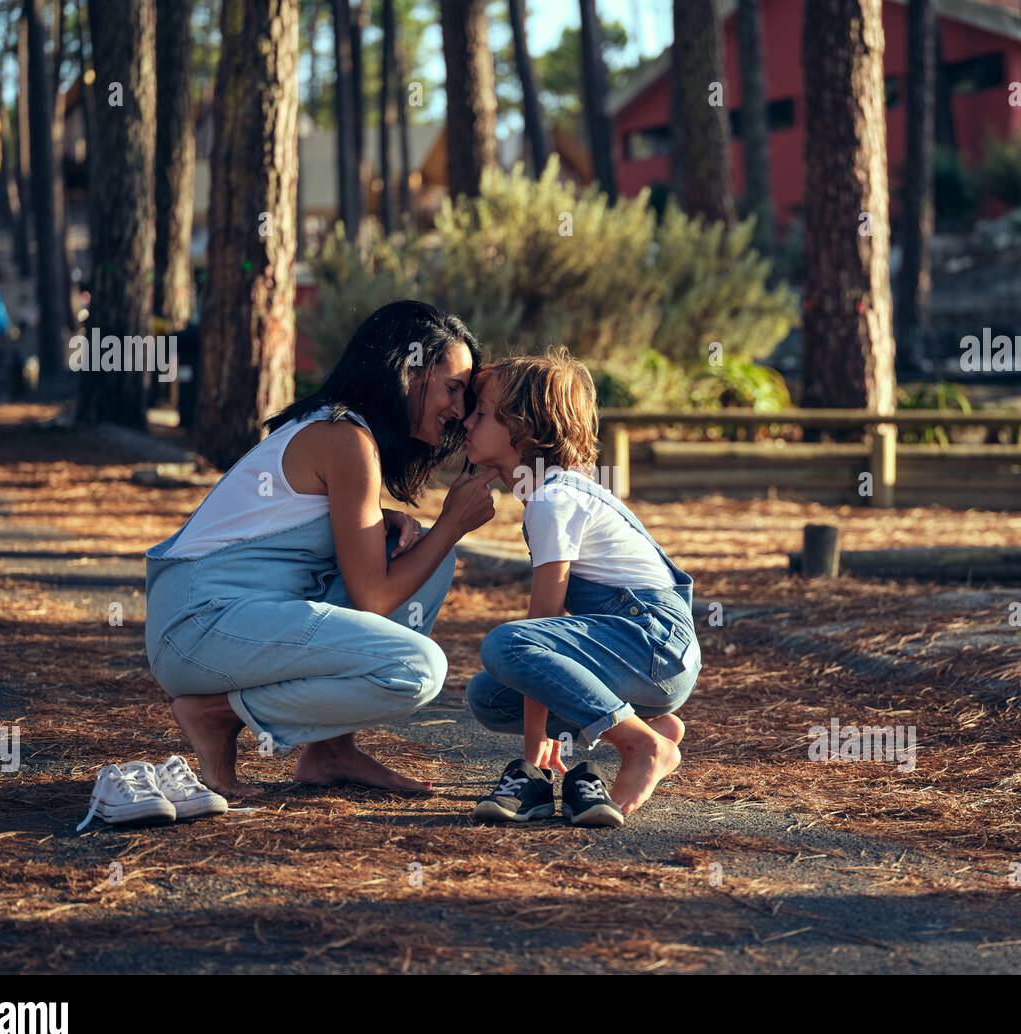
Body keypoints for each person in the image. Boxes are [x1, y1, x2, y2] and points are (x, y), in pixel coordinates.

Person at [144, 301, 499, 799]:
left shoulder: (344, 432)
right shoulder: (345, 438)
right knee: (417, 669)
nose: (460, 412)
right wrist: (451, 525)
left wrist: (394, 525)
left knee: (427, 561)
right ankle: (214, 713)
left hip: (229, 619)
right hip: (198, 625)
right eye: (454, 388)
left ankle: (330, 749)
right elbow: (374, 598)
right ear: (408, 371)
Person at [462, 350, 700, 826]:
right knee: (489, 695)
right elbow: (558, 635)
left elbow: (542, 625)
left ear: (521, 429)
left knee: (505, 644)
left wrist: (534, 755)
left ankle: (640, 743)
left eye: (482, 413)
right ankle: (651, 724)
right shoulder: (557, 492)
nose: (466, 421)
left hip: (653, 644)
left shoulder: (553, 501)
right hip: (642, 653)